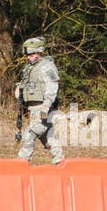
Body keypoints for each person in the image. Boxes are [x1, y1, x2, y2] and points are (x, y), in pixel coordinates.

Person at [16, 37, 65, 165]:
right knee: (48, 137)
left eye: (31, 54)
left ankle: (22, 162)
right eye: (28, 55)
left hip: (43, 108)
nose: (28, 57)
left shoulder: (47, 67)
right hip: (34, 108)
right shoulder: (30, 67)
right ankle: (60, 161)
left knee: (30, 134)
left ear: (39, 52)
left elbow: (52, 86)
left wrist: (47, 104)